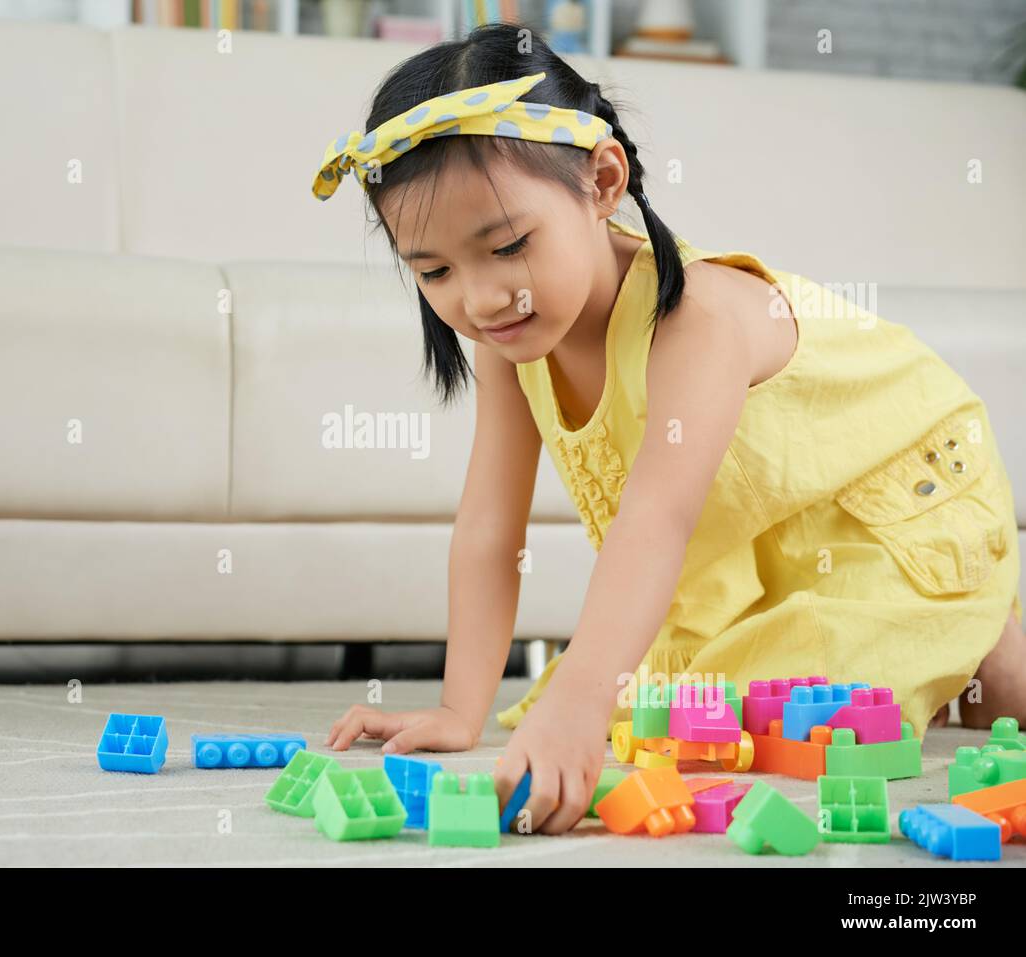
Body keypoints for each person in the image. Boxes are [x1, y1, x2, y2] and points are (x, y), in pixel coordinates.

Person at [313, 23, 1025, 836]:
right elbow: (488, 526)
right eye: (434, 271)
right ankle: (961, 648)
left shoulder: (697, 319)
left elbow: (658, 517)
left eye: (507, 245)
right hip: (761, 545)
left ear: (602, 181)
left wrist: (583, 695)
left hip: (897, 508)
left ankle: (972, 632)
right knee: (677, 709)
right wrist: (458, 706)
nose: (478, 298)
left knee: (747, 717)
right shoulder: (511, 345)